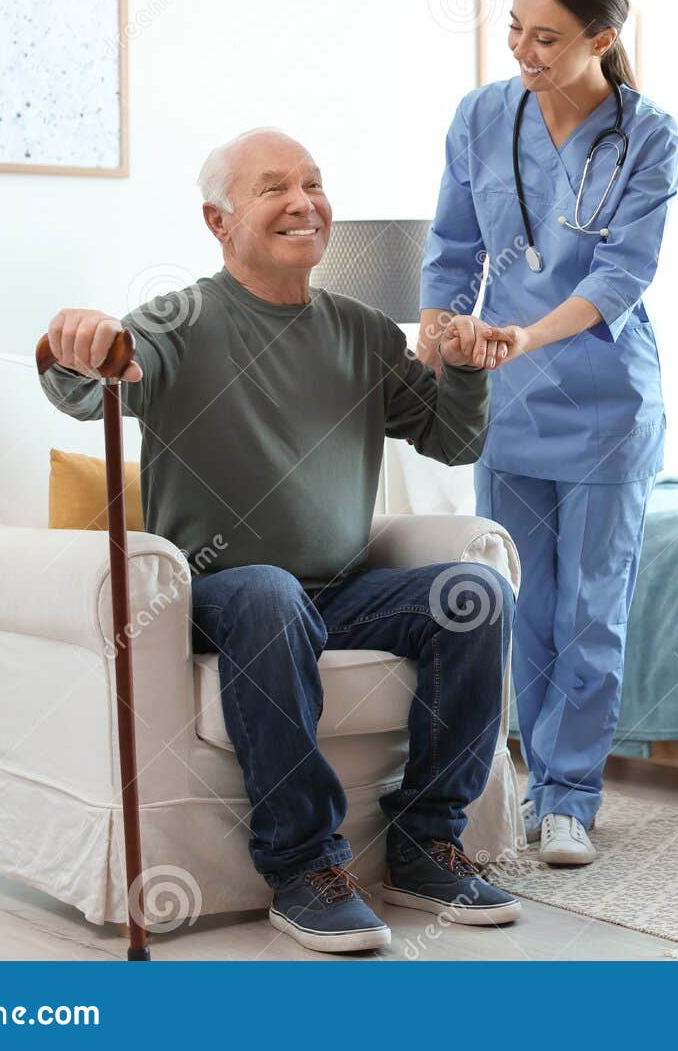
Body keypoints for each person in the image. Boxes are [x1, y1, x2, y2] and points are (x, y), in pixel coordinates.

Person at [38, 128, 522, 953]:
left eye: (313, 183)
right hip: (225, 595)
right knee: (269, 590)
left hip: (339, 592)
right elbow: (89, 387)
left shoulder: (363, 333)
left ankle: (425, 839)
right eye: (274, 188)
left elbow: (451, 438)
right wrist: (67, 344)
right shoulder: (181, 319)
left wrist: (468, 369)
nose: (303, 202)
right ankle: (304, 866)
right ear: (218, 221)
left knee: (473, 596)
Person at [418, 0, 678, 866]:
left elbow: (622, 275)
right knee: (519, 604)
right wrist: (440, 329)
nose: (524, 52)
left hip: (606, 402)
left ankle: (570, 797)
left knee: (590, 610)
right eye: (515, 32)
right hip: (509, 403)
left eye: (547, 37)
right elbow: (452, 247)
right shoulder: (482, 116)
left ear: (603, 40)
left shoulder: (648, 133)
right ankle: (530, 783)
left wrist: (524, 337)